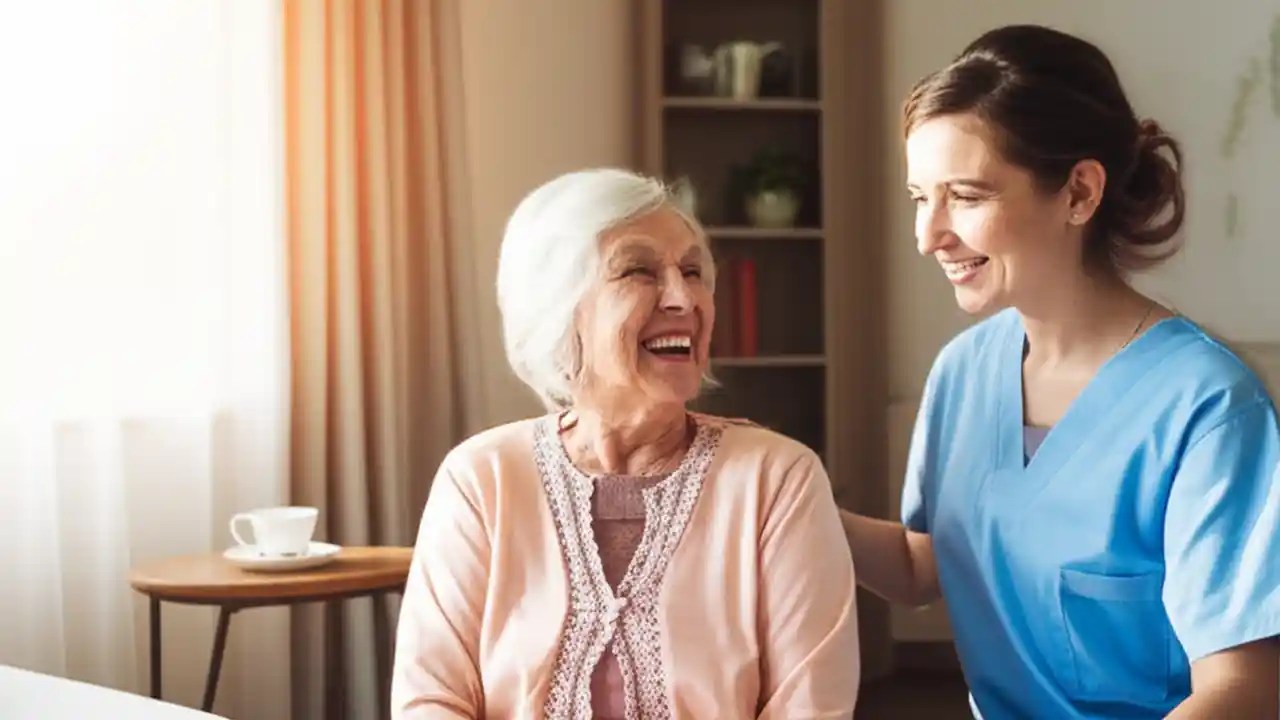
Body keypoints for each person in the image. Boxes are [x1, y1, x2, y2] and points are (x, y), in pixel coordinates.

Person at [840, 24, 1280, 719]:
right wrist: (770, 491)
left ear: (1079, 192)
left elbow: (1245, 687)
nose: (929, 235)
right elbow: (924, 566)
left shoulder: (1209, 406)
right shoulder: (962, 372)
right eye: (920, 197)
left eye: (966, 195)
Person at [391, 168, 860, 718]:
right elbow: (431, 699)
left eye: (692, 271)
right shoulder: (480, 478)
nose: (683, 298)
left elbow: (811, 706)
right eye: (639, 271)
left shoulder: (777, 479)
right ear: (561, 308)